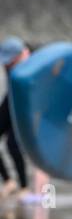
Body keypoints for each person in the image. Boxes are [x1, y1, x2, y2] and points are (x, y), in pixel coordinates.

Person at [0, 37, 32, 198]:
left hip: (25, 104)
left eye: (9, 61)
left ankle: (24, 187)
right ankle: (8, 182)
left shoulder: (35, 64)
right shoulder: (8, 63)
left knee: (12, 143)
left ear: (21, 55)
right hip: (10, 99)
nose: (6, 65)